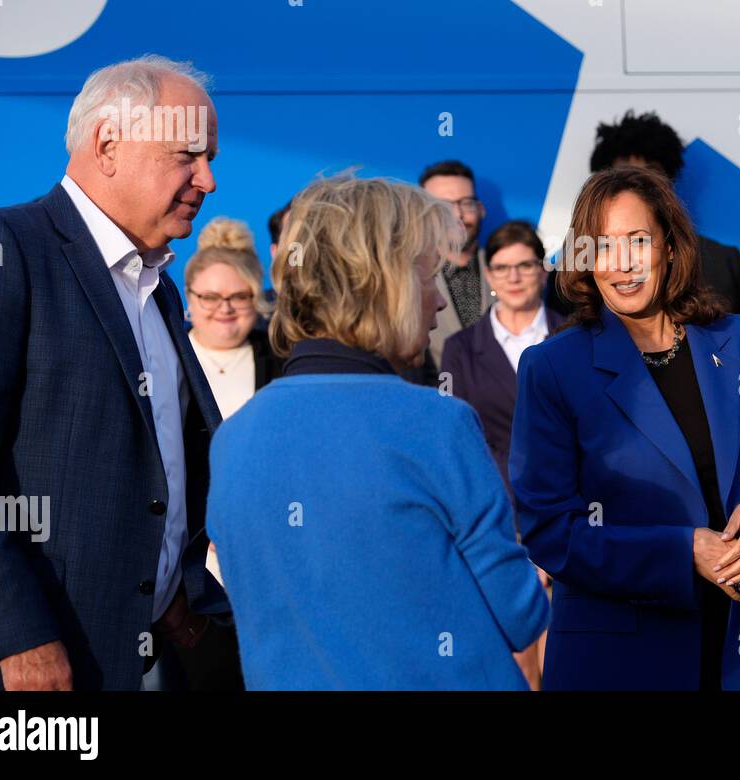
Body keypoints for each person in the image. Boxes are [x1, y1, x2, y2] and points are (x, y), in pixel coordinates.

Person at [0, 54, 228, 690]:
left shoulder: (157, 289)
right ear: (108, 144)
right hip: (33, 671)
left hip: (146, 656)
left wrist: (175, 595)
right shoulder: (3, 249)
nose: (207, 180)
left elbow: (158, 468)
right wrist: (18, 636)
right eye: (188, 155)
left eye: (210, 159)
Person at [206, 173, 548, 689]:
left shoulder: (233, 439)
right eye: (428, 275)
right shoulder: (437, 423)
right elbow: (521, 614)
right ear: (385, 283)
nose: (438, 301)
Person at [511, 166, 740, 690]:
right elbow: (551, 532)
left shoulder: (735, 340)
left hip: (739, 646)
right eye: (602, 246)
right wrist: (686, 550)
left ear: (670, 246)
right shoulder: (553, 367)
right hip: (621, 660)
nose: (622, 264)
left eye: (638, 241)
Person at [546, 111, 740, 376]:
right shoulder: (573, 269)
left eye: (650, 174)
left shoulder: (724, 262)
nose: (624, 263)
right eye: (624, 173)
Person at [441, 221, 566, 498]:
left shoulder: (574, 338)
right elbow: (459, 434)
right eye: (502, 268)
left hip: (571, 501)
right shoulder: (459, 349)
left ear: (543, 272)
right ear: (489, 275)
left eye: (525, 265)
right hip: (496, 502)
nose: (514, 278)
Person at [184, 217, 283, 420]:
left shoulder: (283, 360)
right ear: (189, 296)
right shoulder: (168, 354)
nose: (225, 308)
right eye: (210, 298)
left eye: (239, 297)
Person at [420, 159, 491, 370]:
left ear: (480, 209)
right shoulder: (410, 278)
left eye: (466, 203)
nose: (458, 215)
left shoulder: (512, 270)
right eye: (444, 206)